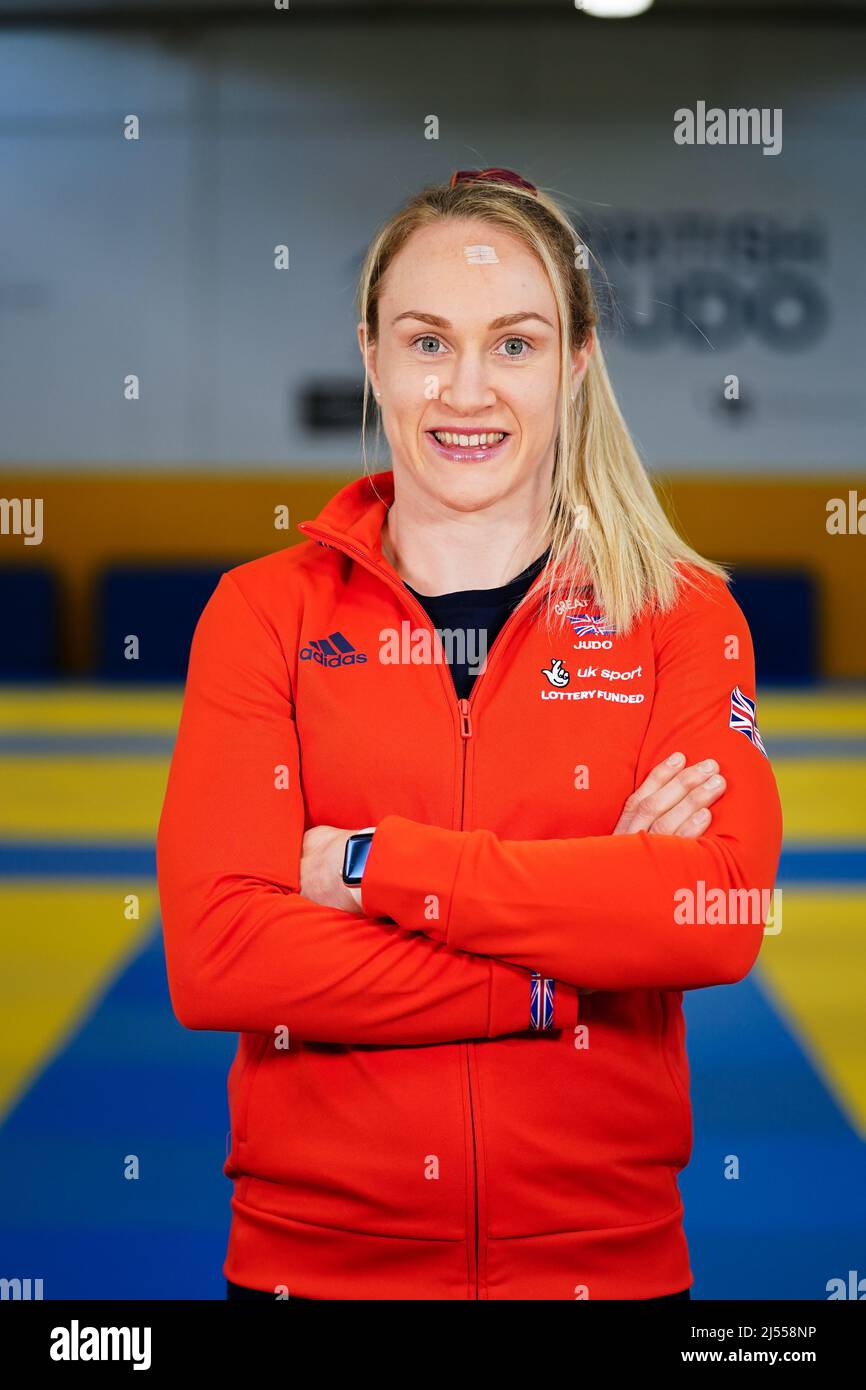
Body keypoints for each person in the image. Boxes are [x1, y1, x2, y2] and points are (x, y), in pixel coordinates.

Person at [156, 168, 783, 1301]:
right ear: (372, 356)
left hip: (603, 1267)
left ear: (577, 361)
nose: (466, 390)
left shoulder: (680, 614)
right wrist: (549, 978)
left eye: (514, 344)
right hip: (317, 1269)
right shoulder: (265, 613)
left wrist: (367, 865)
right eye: (427, 341)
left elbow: (713, 912)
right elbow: (219, 960)